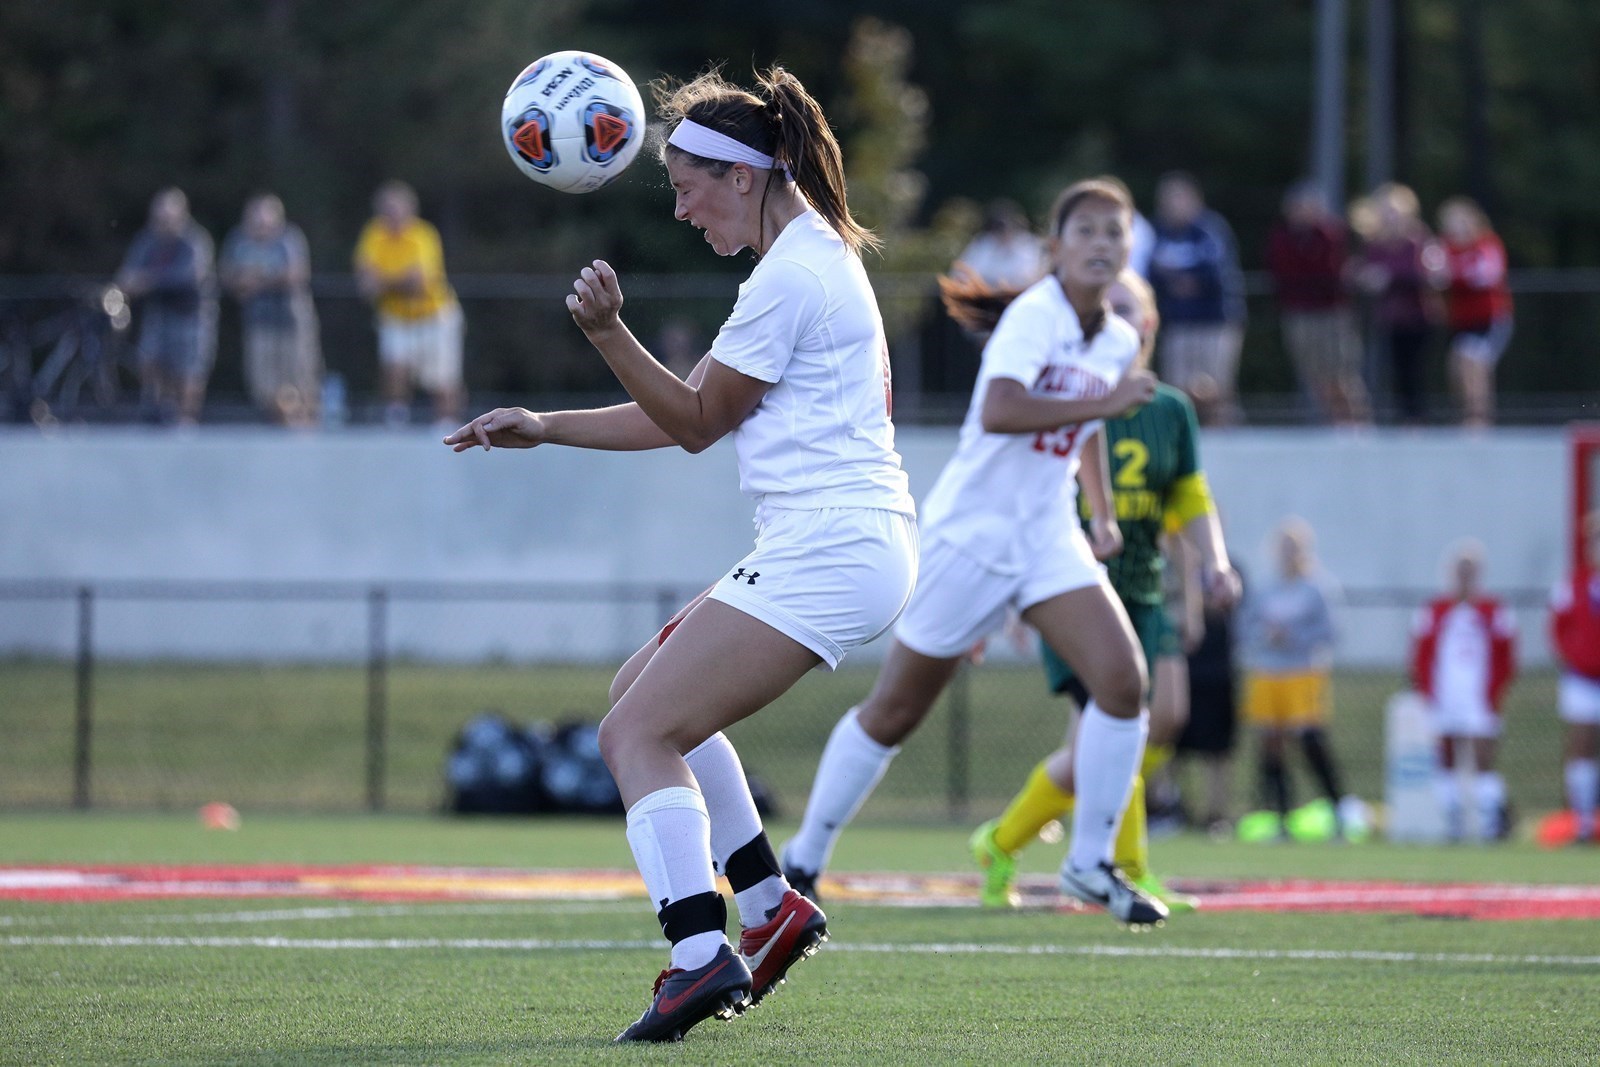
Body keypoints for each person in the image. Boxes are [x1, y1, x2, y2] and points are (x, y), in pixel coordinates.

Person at [444, 66, 917, 1043]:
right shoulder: (803, 260)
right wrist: (544, 425)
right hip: (829, 543)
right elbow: (682, 408)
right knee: (642, 692)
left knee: (632, 734)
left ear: (742, 176)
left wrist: (607, 331)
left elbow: (696, 422)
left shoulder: (793, 273)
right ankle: (767, 901)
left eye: (686, 184)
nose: (679, 207)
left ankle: (700, 955)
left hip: (831, 546)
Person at [779, 176, 1163, 925]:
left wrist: (1103, 513)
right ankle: (806, 854)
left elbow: (1082, 430)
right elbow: (1002, 409)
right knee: (895, 710)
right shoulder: (1034, 315)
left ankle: (1089, 862)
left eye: (1115, 233)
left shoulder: (1117, 337)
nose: (1102, 244)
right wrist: (1105, 403)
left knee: (1122, 682)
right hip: (973, 533)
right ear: (1053, 248)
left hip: (1047, 533)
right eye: (1085, 230)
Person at [967, 267, 1239, 914]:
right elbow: (1016, 494)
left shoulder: (1169, 409)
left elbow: (1186, 499)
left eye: (1126, 306)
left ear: (1146, 324)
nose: (1111, 314)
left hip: (1145, 587)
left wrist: (1209, 569)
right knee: (1117, 727)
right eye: (1104, 303)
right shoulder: (1067, 397)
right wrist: (1005, 601)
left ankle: (1004, 838)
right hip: (1074, 587)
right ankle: (1124, 865)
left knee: (1154, 720)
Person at [1236, 517, 1361, 839]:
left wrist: (1293, 636)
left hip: (1303, 673)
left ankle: (1339, 811)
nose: (1288, 554)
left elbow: (1331, 631)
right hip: (1268, 673)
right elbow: (1246, 628)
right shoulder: (1266, 588)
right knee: (1271, 746)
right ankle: (1281, 819)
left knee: (1310, 742)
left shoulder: (1317, 587)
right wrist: (1267, 636)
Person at [1409, 540, 1518, 841]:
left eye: (1470, 571)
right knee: (1447, 758)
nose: (1464, 577)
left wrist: (1495, 691)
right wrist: (1427, 692)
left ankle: (1489, 822)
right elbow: (1419, 654)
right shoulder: (1434, 610)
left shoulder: (1494, 610)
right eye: (1460, 570)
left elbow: (1507, 655)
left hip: (1479, 698)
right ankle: (1453, 820)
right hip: (1445, 697)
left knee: (1483, 759)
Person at [354, 180, 464, 426]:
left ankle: (446, 428)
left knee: (443, 379)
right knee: (394, 369)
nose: (390, 216)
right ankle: (396, 423)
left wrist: (384, 281)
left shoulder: (423, 235)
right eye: (385, 210)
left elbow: (419, 283)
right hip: (395, 316)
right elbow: (366, 284)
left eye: (395, 209)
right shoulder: (373, 234)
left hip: (434, 316)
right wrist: (398, 281)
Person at [1146, 171, 1246, 426]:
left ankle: (1226, 438)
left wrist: (1183, 279)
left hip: (1214, 322)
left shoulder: (1210, 228)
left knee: (1217, 386)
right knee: (1177, 389)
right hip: (1178, 322)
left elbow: (1215, 273)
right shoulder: (1158, 231)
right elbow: (1150, 275)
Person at [1266, 180, 1368, 425]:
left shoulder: (1332, 234)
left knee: (1342, 374)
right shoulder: (1282, 238)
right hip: (1299, 313)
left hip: (1332, 314)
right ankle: (1335, 423)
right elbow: (1284, 271)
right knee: (1316, 376)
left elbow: (1334, 271)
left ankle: (1359, 423)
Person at [114, 187, 217, 425]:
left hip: (192, 316)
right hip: (159, 314)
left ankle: (186, 420)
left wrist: (147, 281)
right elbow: (129, 273)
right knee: (149, 361)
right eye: (159, 217)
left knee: (189, 372)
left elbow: (189, 277)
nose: (163, 223)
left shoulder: (195, 241)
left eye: (169, 218)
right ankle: (160, 412)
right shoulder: (147, 240)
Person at [219, 193, 322, 427]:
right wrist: (255, 280)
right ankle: (282, 426)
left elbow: (296, 274)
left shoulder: (290, 239)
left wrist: (257, 280)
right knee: (264, 386)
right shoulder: (239, 240)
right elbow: (229, 277)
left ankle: (304, 429)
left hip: (292, 322)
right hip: (258, 324)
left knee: (301, 381)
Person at [1351, 183, 1441, 426]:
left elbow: (1424, 274)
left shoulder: (1418, 240)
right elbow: (1362, 269)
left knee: (1414, 368)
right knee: (1397, 368)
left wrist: (1388, 277)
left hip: (1418, 315)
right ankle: (1403, 417)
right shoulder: (1374, 244)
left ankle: (1417, 418)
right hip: (1389, 317)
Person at [1434, 197, 1513, 429]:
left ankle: (1480, 420)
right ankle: (1467, 415)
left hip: (1489, 319)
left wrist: (1452, 275)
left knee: (1473, 364)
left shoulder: (1487, 244)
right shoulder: (1444, 247)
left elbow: (1486, 275)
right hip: (1462, 321)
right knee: (1456, 367)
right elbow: (1433, 273)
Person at [1549, 511, 1600, 845]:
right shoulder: (1573, 584)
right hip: (1583, 679)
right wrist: (1577, 658)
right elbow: (1558, 629)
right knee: (1581, 746)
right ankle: (1582, 821)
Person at [952, 199, 1047, 289]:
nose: (1004, 234)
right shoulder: (983, 245)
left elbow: (1031, 277)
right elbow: (961, 274)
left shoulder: (1028, 245)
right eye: (998, 229)